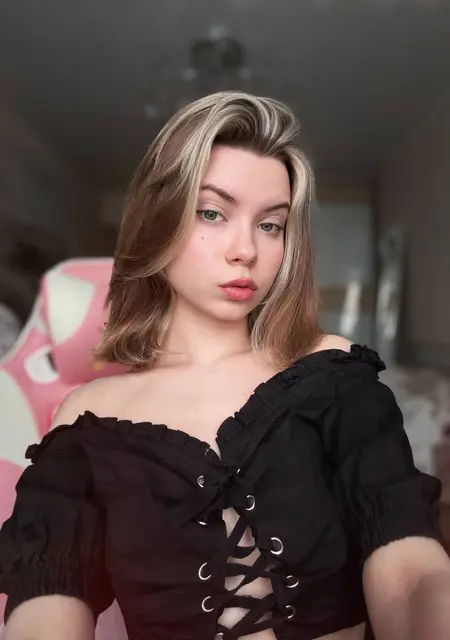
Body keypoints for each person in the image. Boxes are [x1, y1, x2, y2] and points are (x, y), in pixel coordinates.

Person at [0, 91, 449, 640]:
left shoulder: (330, 374)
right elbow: (47, 603)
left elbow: (406, 564)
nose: (246, 250)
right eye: (212, 213)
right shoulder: (85, 421)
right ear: (157, 221)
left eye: (271, 224)